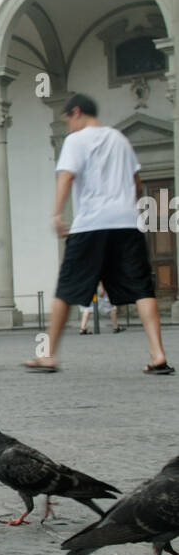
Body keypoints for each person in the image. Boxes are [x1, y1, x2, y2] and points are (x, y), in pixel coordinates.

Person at [25, 92, 172, 374]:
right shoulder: (120, 139)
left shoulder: (76, 140)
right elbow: (137, 183)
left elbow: (66, 176)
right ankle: (158, 354)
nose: (68, 125)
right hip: (126, 223)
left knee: (66, 290)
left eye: (67, 119)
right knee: (143, 288)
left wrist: (56, 213)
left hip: (91, 224)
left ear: (76, 112)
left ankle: (49, 355)